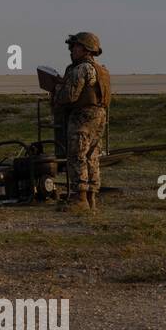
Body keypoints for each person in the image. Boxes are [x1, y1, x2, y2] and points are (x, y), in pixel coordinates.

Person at [51, 32, 112, 209]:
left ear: (84, 48)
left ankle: (80, 198)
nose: (72, 51)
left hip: (82, 117)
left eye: (75, 47)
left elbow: (69, 96)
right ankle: (91, 197)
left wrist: (57, 89)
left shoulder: (81, 69)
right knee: (92, 155)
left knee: (77, 155)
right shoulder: (102, 70)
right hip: (99, 116)